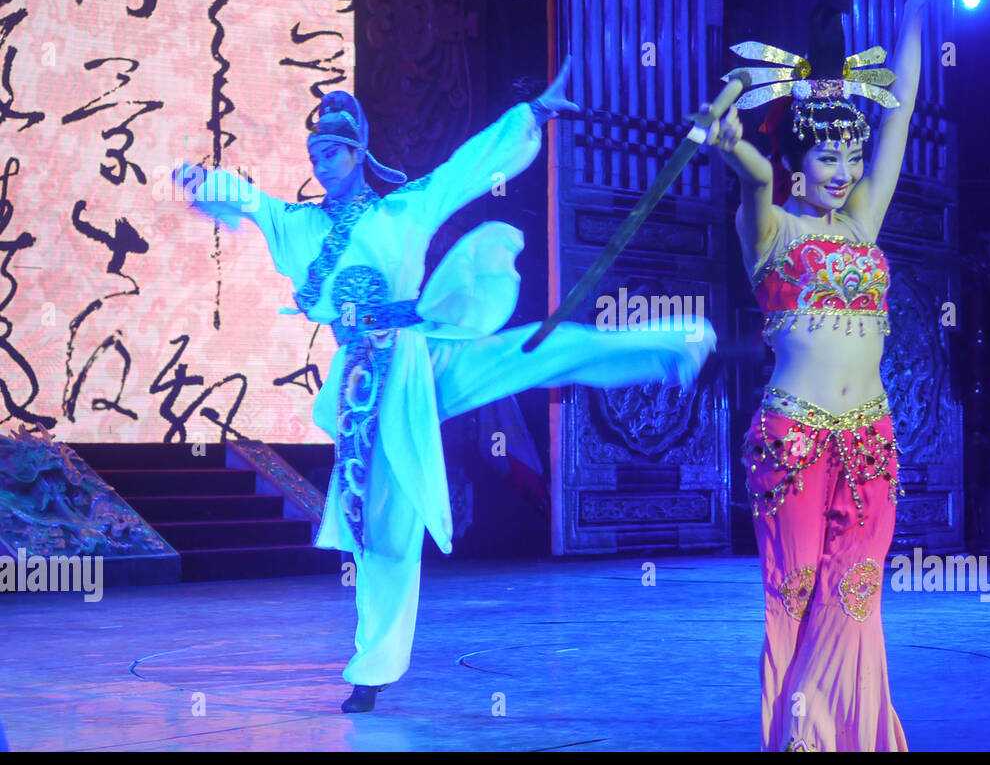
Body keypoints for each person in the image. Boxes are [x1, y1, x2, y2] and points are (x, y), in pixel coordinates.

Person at [175, 59, 715, 713]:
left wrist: (529, 117)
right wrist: (205, 181)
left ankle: (671, 348)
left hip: (414, 357)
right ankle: (371, 669)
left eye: (332, 150)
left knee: (532, 351)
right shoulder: (304, 226)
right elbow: (252, 202)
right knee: (379, 525)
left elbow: (462, 170)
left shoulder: (400, 210)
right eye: (314, 151)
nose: (321, 161)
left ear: (358, 153)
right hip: (360, 384)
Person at [707, 0, 961, 751]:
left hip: (872, 436)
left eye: (852, 153)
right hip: (792, 438)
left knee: (857, 595)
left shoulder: (864, 224)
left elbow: (907, 109)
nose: (846, 169)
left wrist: (919, 8)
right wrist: (732, 140)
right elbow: (750, 173)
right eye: (828, 155)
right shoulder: (771, 230)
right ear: (799, 160)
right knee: (796, 594)